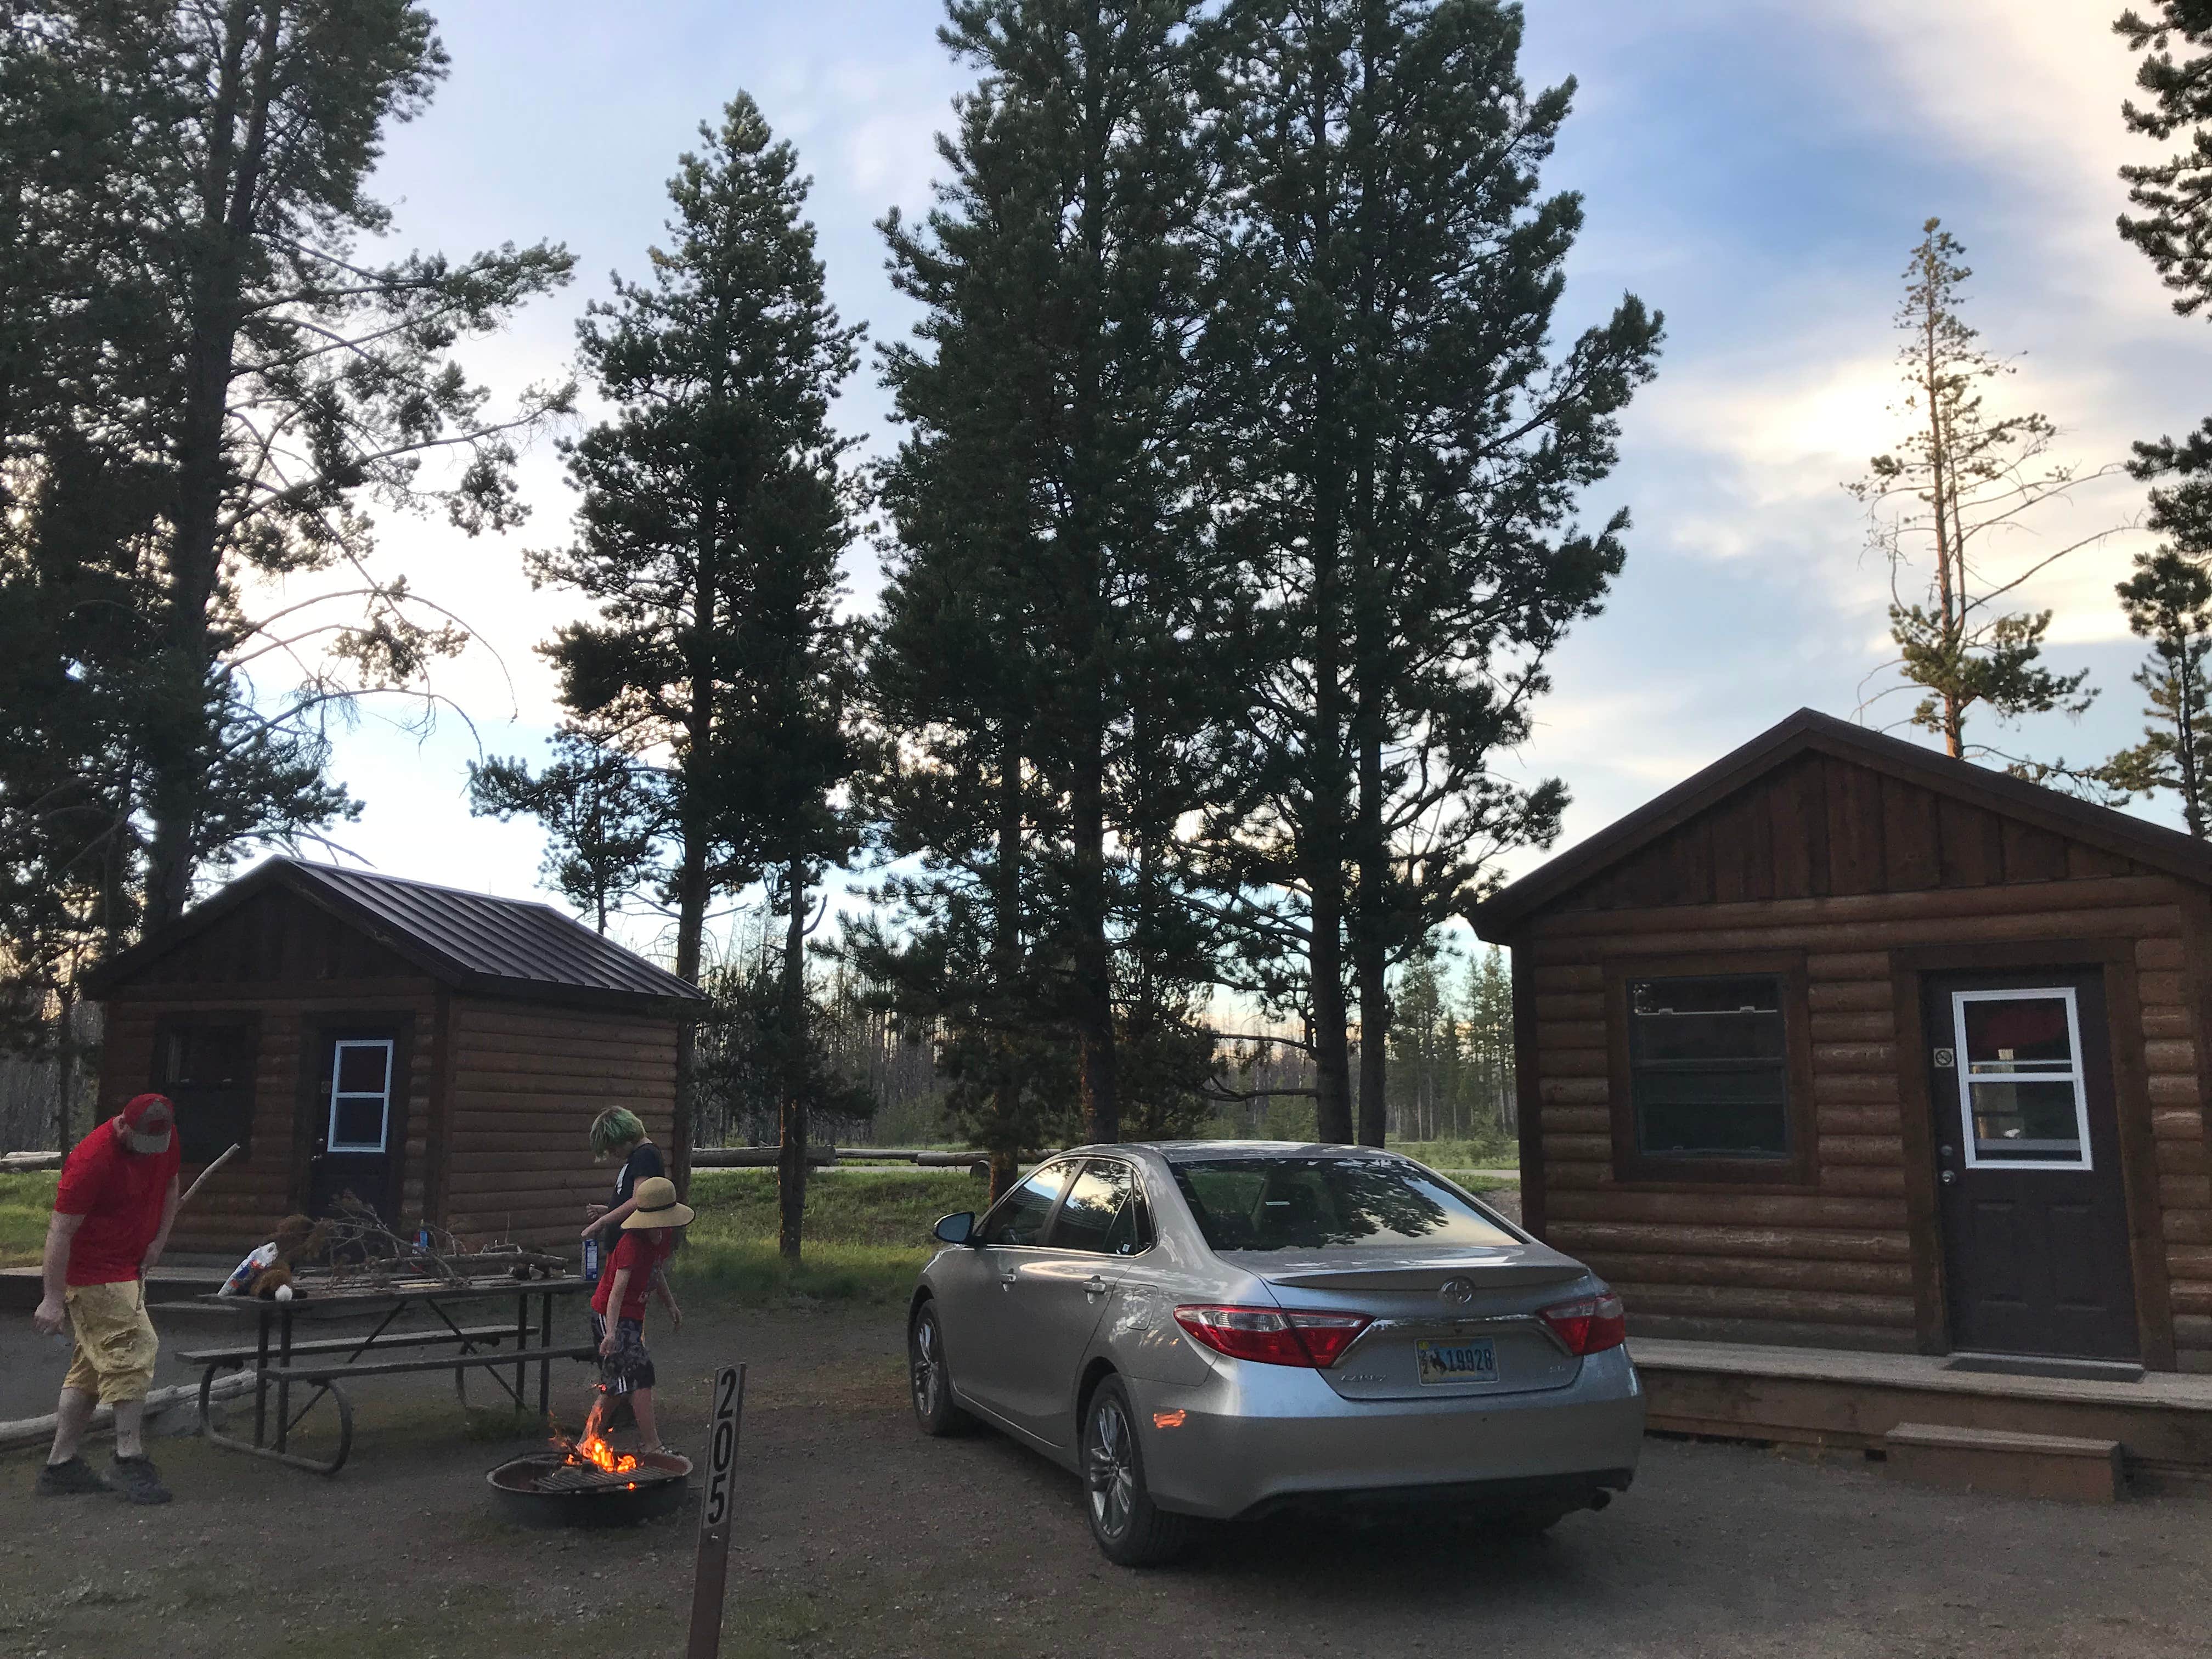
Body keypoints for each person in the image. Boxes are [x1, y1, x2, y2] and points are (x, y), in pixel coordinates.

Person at [31, 1093, 182, 1504]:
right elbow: (60, 1231)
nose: (151, 1152)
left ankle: (60, 1466)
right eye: (142, 1143)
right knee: (134, 1348)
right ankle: (127, 1458)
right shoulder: (91, 1160)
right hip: (93, 1275)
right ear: (122, 1124)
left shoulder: (165, 1139)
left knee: (94, 1369)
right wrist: (52, 1298)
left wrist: (157, 1243)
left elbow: (170, 1184)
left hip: (130, 1268)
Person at [584, 1174, 689, 1454]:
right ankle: (652, 1445)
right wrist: (610, 1333)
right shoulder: (631, 1244)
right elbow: (616, 1292)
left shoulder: (662, 1238)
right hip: (610, 1315)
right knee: (640, 1372)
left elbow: (656, 1272)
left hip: (632, 1318)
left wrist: (670, 1305)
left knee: (617, 1386)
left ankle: (586, 1443)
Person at [581, 1106, 664, 1246]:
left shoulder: (645, 1155)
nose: (613, 1154)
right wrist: (609, 1211)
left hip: (631, 1245)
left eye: (613, 1148)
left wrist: (603, 1221)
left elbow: (638, 1201)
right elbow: (629, 1200)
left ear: (624, 1136)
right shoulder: (636, 1157)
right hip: (620, 1244)